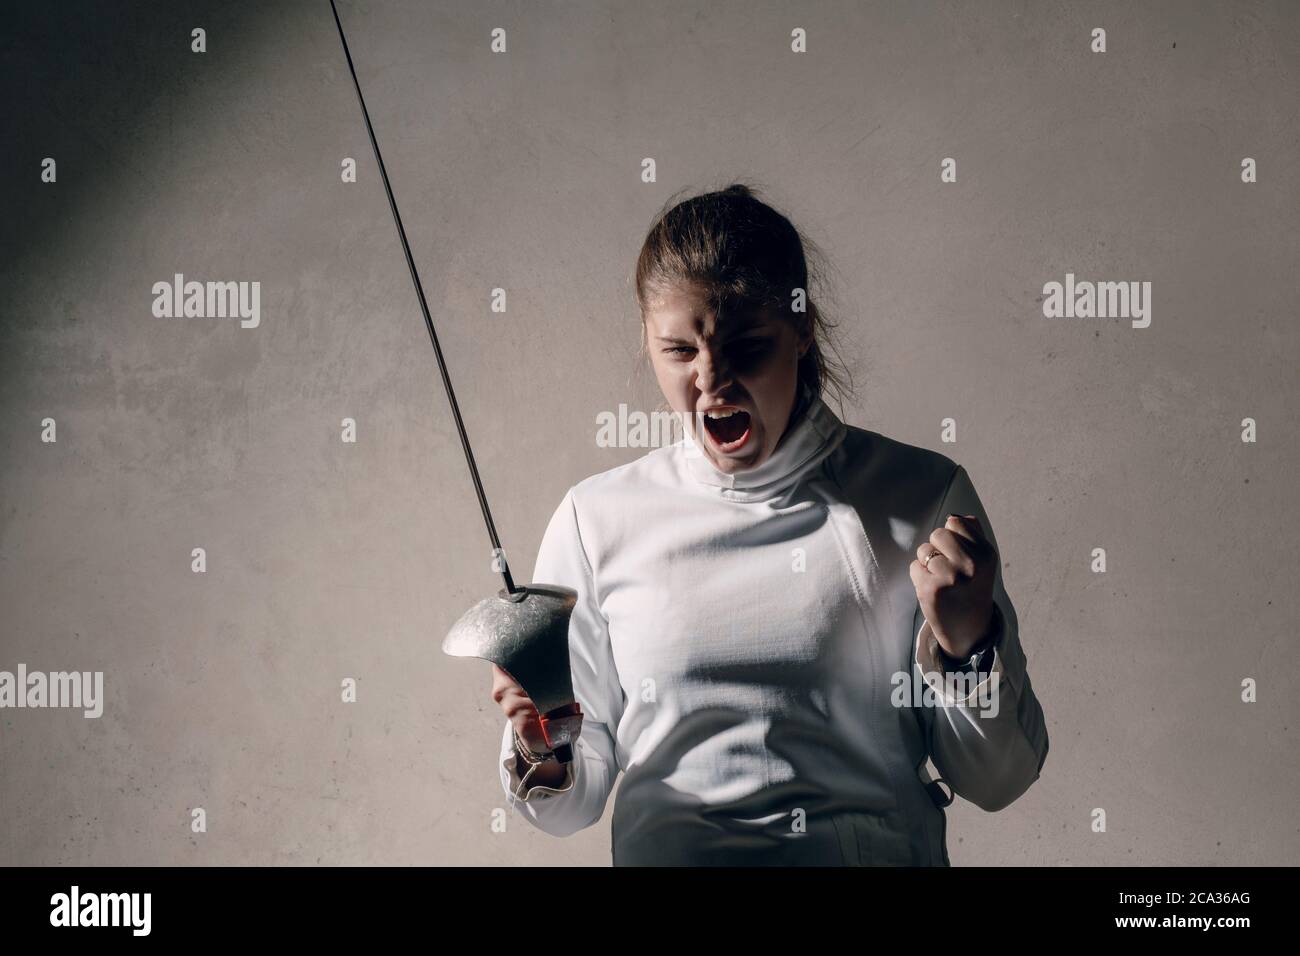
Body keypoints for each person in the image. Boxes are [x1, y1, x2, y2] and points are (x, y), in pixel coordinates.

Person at [490, 182, 1049, 866]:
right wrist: (540, 750)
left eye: (745, 347)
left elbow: (1000, 780)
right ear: (647, 338)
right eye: (679, 352)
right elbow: (573, 801)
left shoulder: (921, 496)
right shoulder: (595, 518)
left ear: (800, 326)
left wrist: (969, 647)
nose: (712, 382)